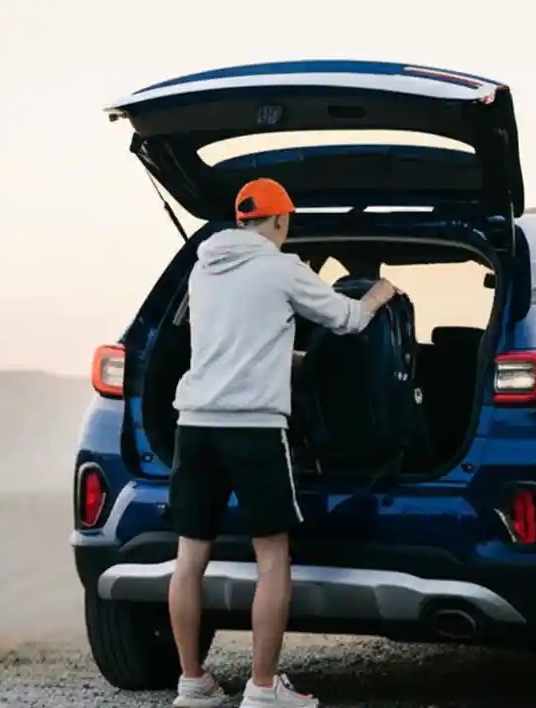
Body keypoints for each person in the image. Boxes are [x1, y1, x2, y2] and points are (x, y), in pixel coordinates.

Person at [167, 178, 398, 708]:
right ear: (277, 220)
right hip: (253, 428)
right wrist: (380, 294)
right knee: (272, 556)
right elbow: (347, 320)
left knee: (189, 557)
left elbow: (230, 339)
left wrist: (283, 357)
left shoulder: (203, 268)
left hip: (194, 425)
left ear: (240, 220)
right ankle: (264, 688)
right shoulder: (280, 268)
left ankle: (192, 682)